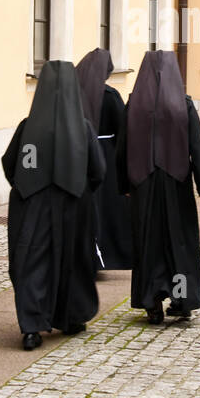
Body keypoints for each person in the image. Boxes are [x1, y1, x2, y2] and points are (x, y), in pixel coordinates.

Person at [2, 60, 106, 350]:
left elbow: (11, 165)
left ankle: (32, 327)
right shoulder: (83, 128)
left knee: (32, 262)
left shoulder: (27, 128)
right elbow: (98, 170)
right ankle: (71, 317)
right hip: (73, 205)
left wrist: (28, 188)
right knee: (72, 260)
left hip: (32, 206)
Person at [118, 50, 200, 325]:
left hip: (143, 186)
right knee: (179, 244)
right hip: (176, 185)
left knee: (148, 243)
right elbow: (197, 150)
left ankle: (153, 304)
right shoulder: (184, 105)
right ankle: (182, 300)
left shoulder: (133, 105)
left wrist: (125, 184)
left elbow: (121, 150)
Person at [75, 47, 132, 270]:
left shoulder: (75, 93)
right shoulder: (110, 95)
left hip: (81, 154)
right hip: (107, 154)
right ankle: (108, 256)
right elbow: (123, 128)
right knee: (108, 210)